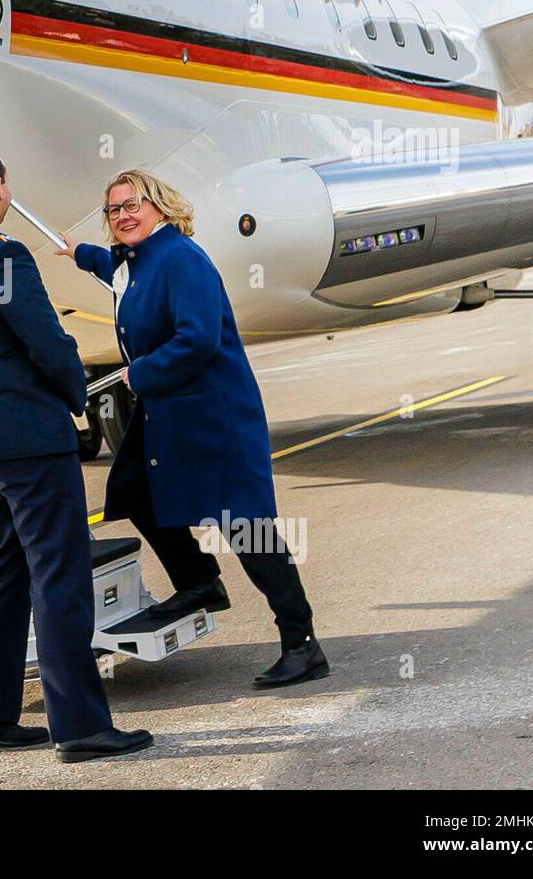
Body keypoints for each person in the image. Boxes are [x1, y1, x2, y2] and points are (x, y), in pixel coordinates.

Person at [0, 144, 152, 763]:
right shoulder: (2, 255)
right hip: (27, 435)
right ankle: (78, 725)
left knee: (8, 566)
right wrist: (77, 391)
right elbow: (46, 341)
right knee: (58, 573)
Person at [57, 169, 329, 688]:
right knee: (133, 489)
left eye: (133, 204)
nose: (124, 216)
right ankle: (200, 581)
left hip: (213, 414)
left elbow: (199, 338)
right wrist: (80, 252)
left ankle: (302, 642)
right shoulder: (137, 258)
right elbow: (115, 265)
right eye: (114, 211)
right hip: (171, 411)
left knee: (246, 527)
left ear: (160, 206)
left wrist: (141, 373)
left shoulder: (180, 258)